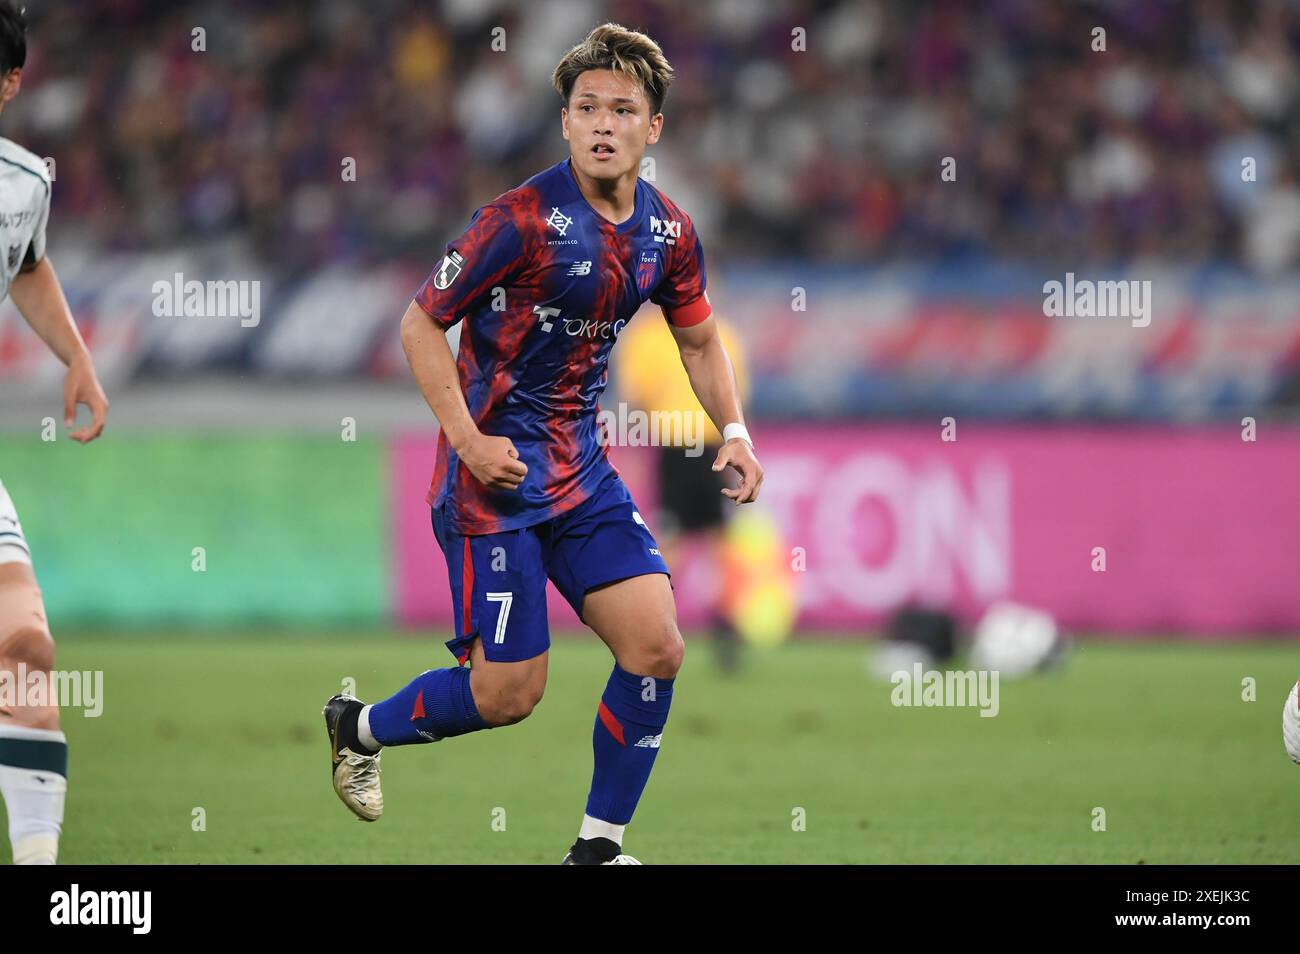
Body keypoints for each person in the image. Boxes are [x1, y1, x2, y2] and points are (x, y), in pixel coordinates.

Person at [324, 22, 761, 864]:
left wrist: (733, 433)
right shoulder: (517, 220)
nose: (603, 122)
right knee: (509, 692)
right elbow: (420, 323)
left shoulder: (668, 234)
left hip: (581, 472)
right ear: (564, 122)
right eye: (586, 107)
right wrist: (469, 439)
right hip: (492, 481)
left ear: (653, 128)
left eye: (622, 109)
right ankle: (359, 726)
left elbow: (699, 342)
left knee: (658, 646)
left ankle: (597, 849)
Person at [0, 0, 110, 865]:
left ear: (9, 84)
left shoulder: (23, 183)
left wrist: (76, 357)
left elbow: (27, 264)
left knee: (27, 647)